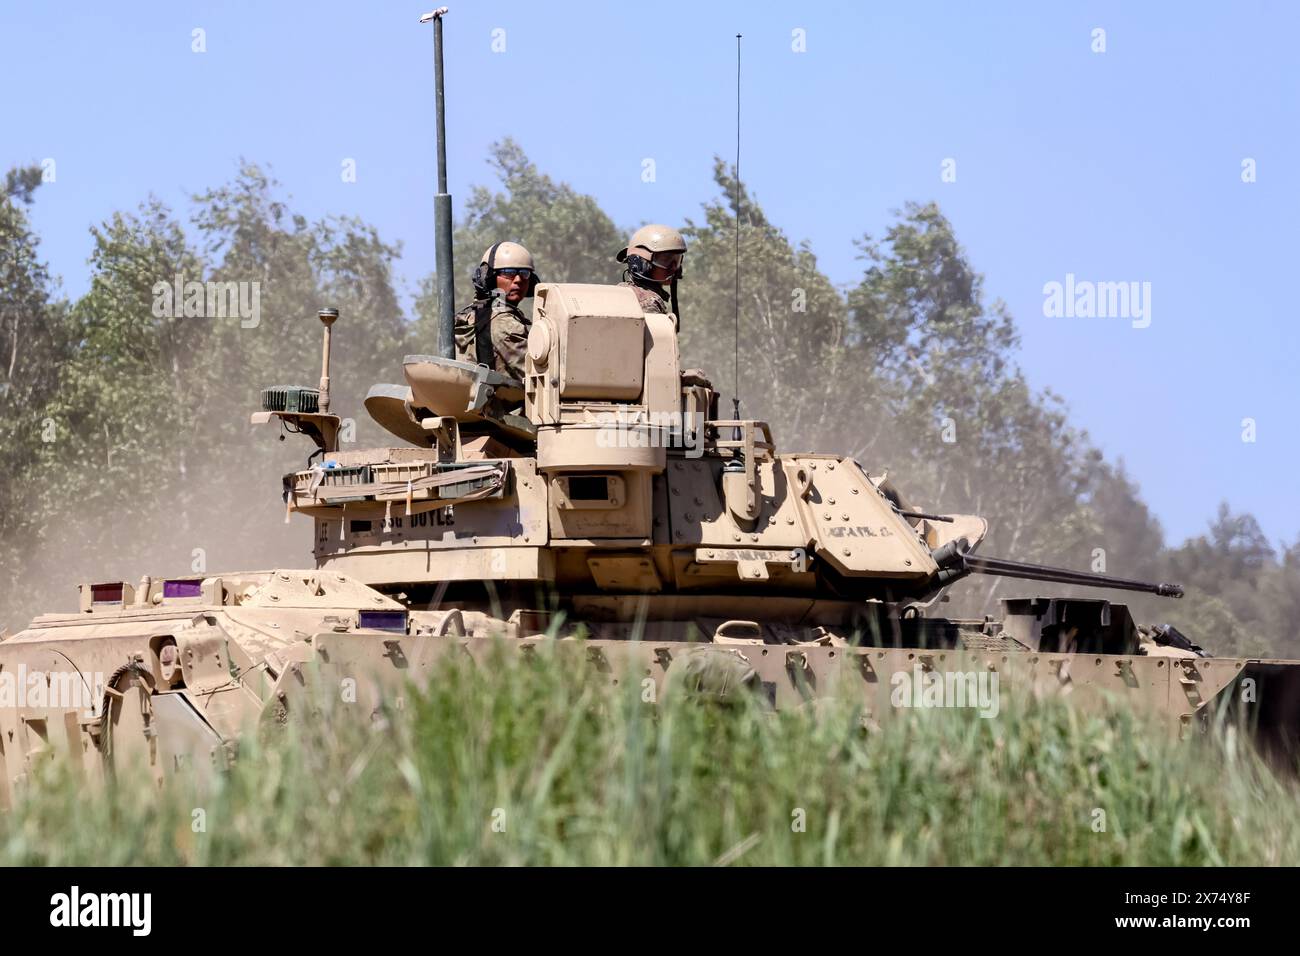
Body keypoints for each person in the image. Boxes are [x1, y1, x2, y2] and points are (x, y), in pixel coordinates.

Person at [454, 241, 540, 382]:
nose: (518, 280)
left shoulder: (471, 316)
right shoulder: (506, 325)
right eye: (509, 273)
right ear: (489, 279)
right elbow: (539, 377)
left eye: (525, 273)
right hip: (502, 403)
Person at [616, 224, 686, 318]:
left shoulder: (620, 292)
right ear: (641, 264)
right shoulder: (649, 302)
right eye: (665, 260)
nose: (673, 268)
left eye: (676, 261)